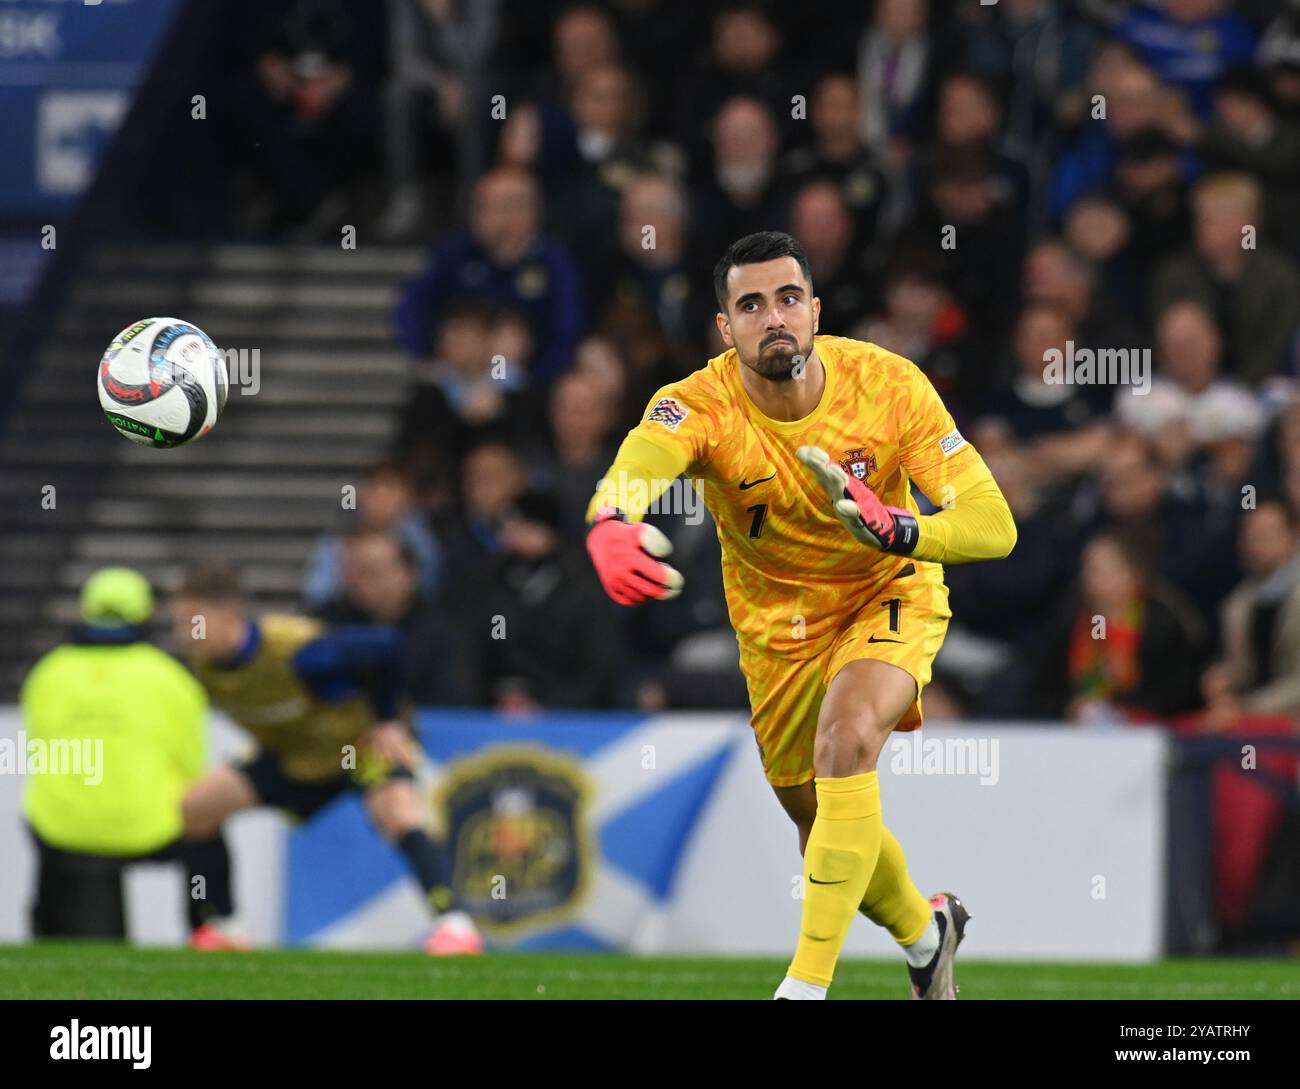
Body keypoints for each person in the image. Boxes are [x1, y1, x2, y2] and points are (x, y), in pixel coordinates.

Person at [583, 231, 1017, 999]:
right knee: (820, 819)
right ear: (726, 328)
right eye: (751, 304)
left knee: (848, 739)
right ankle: (927, 934)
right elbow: (639, 463)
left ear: (815, 309)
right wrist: (609, 522)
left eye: (788, 298)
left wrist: (906, 529)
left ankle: (804, 987)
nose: (773, 316)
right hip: (775, 630)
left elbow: (994, 522)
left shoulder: (888, 384)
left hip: (887, 587)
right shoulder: (699, 402)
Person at [171, 560, 482, 955]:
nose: (184, 634)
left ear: (230, 615)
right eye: (179, 623)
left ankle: (455, 925)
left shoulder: (302, 653)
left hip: (356, 748)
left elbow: (386, 645)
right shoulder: (202, 665)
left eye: (192, 621)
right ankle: (225, 927)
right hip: (292, 757)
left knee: (400, 814)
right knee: (197, 807)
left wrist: (387, 721)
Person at [19, 568, 227, 945]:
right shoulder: (170, 678)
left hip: (65, 832)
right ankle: (209, 924)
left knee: (50, 828)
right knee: (206, 815)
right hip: (152, 827)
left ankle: (50, 929)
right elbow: (193, 764)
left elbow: (38, 751)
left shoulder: (47, 673)